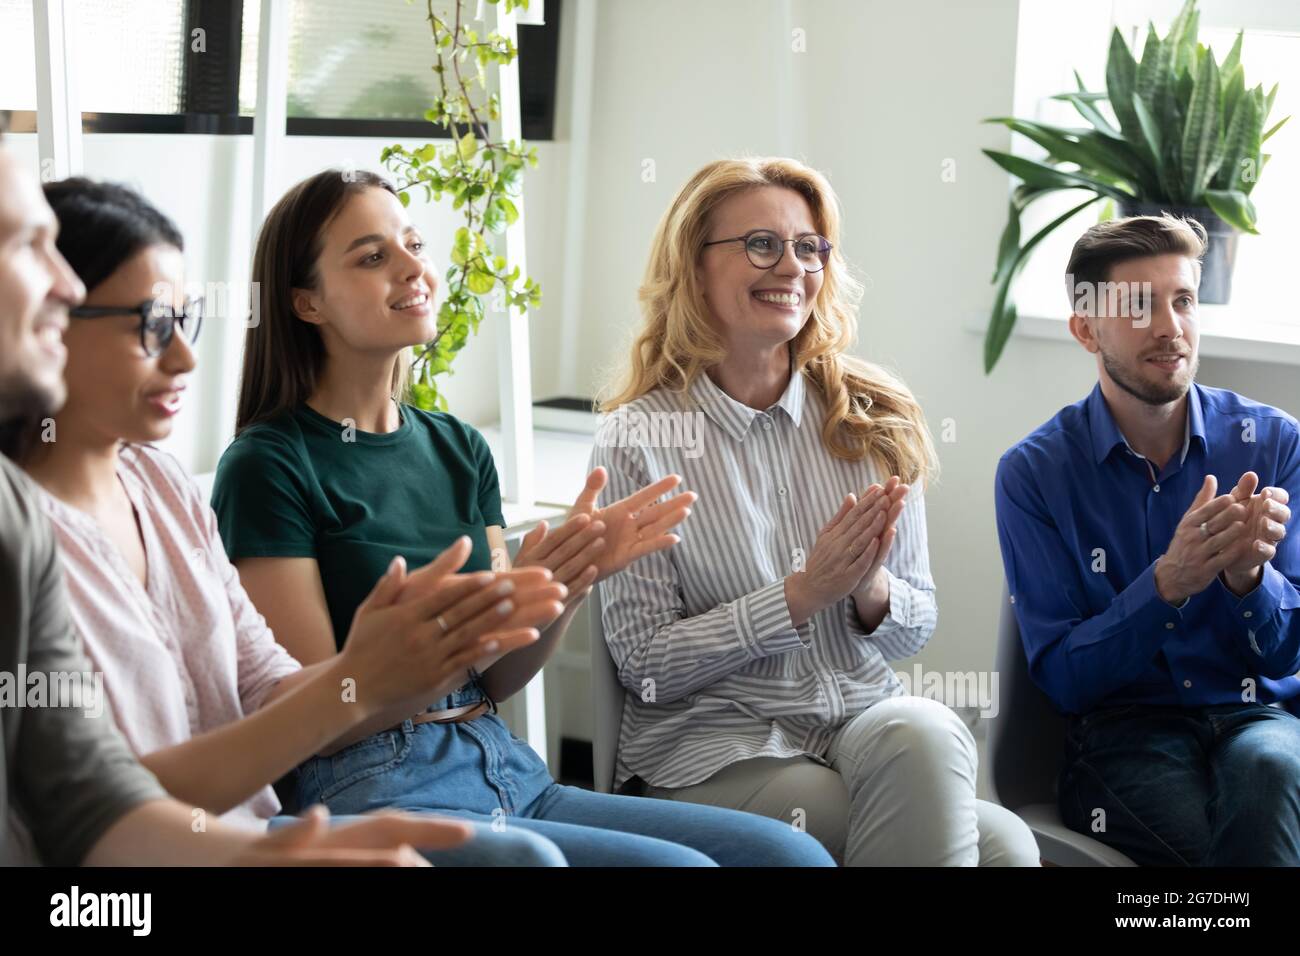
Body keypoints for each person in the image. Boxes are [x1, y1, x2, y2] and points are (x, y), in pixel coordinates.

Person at [211, 168, 833, 866]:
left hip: (502, 762)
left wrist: (566, 587)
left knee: (792, 856)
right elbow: (315, 720)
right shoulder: (269, 466)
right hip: (373, 785)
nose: (414, 267)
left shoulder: (458, 448)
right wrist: (474, 624)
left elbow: (497, 679)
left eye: (412, 244)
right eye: (372, 256)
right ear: (306, 303)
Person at [16, 177, 573, 866]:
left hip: (265, 825)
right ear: (48, 313)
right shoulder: (33, 524)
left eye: (184, 324)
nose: (186, 358)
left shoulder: (161, 485)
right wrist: (369, 677)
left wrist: (392, 663)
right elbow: (94, 809)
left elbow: (265, 685)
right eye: (154, 325)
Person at [592, 156, 1040, 866]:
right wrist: (799, 598)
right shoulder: (640, 437)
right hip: (715, 749)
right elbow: (644, 662)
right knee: (996, 853)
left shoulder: (873, 415)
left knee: (946, 757)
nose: (791, 267)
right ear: (694, 266)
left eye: (809, 247)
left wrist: (869, 589)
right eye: (761, 245)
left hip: (858, 722)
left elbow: (913, 628)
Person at [995, 214, 1300, 866]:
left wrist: (1250, 579)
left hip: (1257, 721)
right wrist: (1168, 584)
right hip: (1123, 735)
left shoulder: (1274, 442)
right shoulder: (1034, 474)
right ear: (1085, 329)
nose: (1171, 327)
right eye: (1139, 306)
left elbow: (1285, 658)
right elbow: (1064, 682)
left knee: (1273, 775)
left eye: (1184, 300)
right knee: (1214, 852)